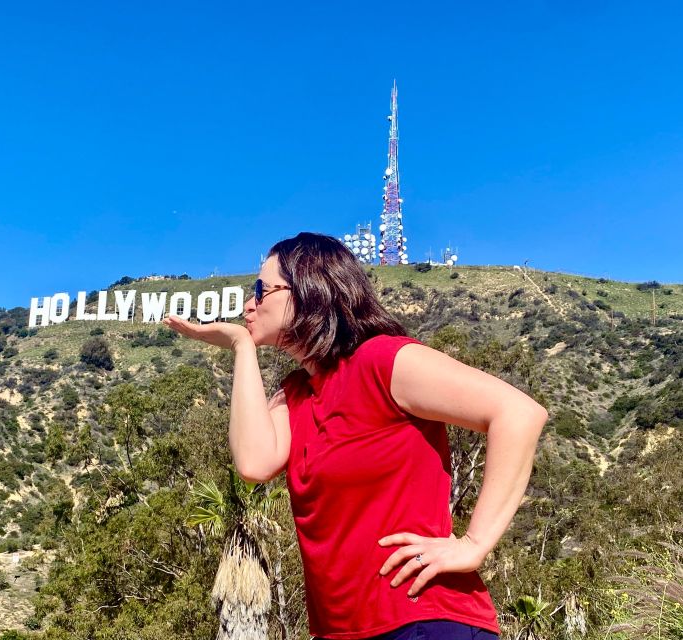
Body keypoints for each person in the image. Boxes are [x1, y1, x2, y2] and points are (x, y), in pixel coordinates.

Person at [162, 232, 547, 640]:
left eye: (262, 289)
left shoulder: (382, 361)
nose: (248, 304)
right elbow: (254, 463)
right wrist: (241, 346)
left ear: (310, 288)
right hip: (338, 632)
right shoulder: (294, 394)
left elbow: (519, 413)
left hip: (424, 620)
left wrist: (473, 543)